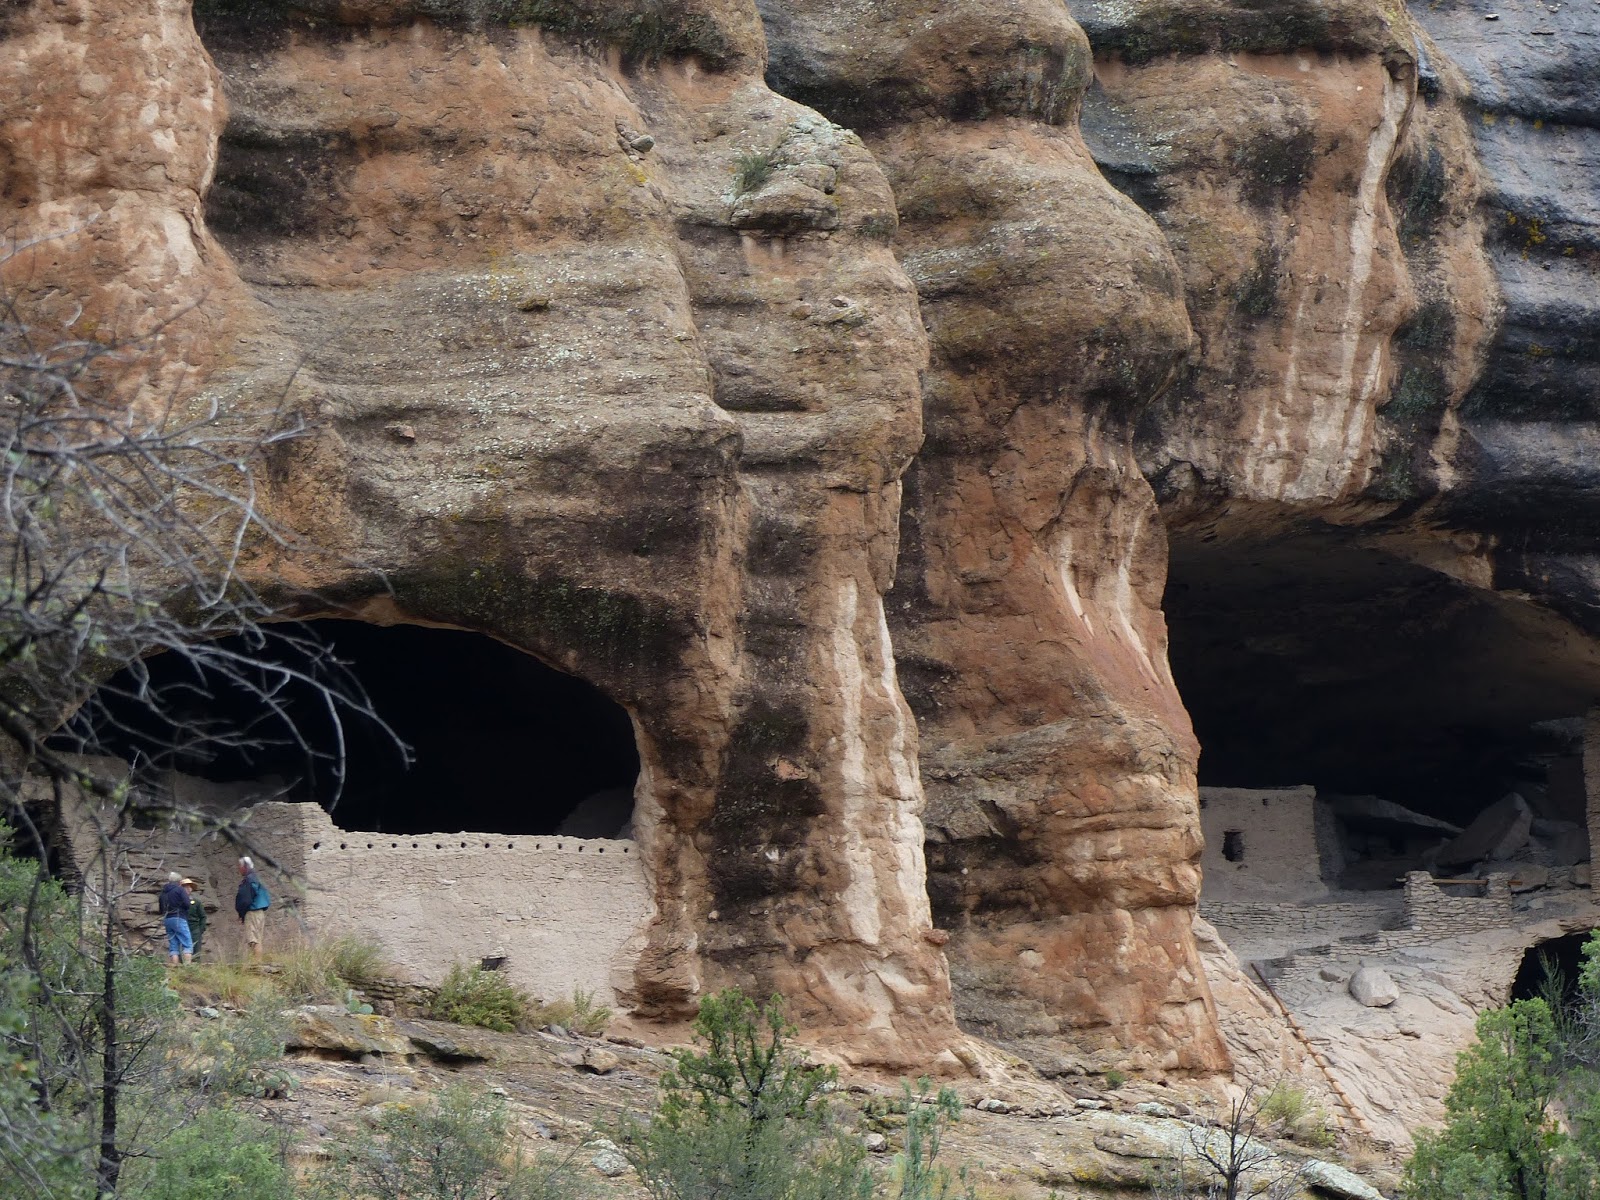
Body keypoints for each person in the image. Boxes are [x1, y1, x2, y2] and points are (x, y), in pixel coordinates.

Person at [235, 856, 271, 962]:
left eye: (240, 866)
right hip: (259, 912)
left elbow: (245, 899)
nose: (239, 869)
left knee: (253, 940)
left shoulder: (249, 880)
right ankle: (257, 963)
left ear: (245, 866)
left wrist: (241, 913)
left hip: (252, 912)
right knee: (258, 939)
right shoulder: (257, 878)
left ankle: (256, 964)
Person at [159, 872, 193, 967]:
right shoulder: (180, 889)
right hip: (179, 917)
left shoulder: (163, 892)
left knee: (173, 944)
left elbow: (161, 909)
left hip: (167, 919)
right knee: (187, 943)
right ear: (179, 881)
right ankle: (188, 967)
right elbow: (187, 904)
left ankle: (175, 967)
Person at [182, 878, 207, 960]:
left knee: (196, 950)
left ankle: (196, 968)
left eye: (189, 887)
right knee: (183, 950)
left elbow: (203, 916)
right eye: (185, 887)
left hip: (194, 929)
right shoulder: (179, 902)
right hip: (182, 928)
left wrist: (201, 929)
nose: (188, 888)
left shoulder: (196, 902)